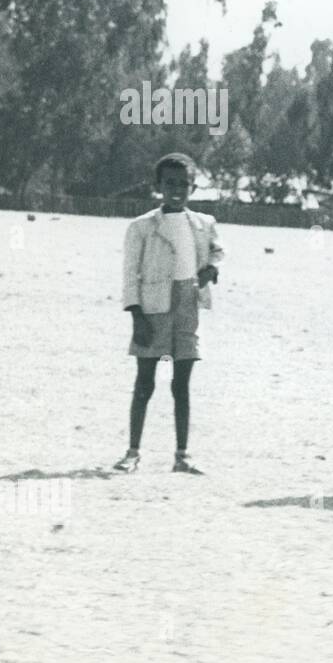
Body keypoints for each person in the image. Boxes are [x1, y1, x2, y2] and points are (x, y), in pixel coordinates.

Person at [113, 153, 224, 475]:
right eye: (169, 183)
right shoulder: (142, 227)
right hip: (152, 308)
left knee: (182, 384)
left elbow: (218, 250)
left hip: (188, 306)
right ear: (158, 186)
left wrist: (211, 269)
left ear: (192, 186)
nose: (176, 190)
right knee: (145, 382)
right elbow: (129, 274)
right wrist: (137, 316)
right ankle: (132, 453)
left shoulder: (204, 223)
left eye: (183, 184)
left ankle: (182, 455)